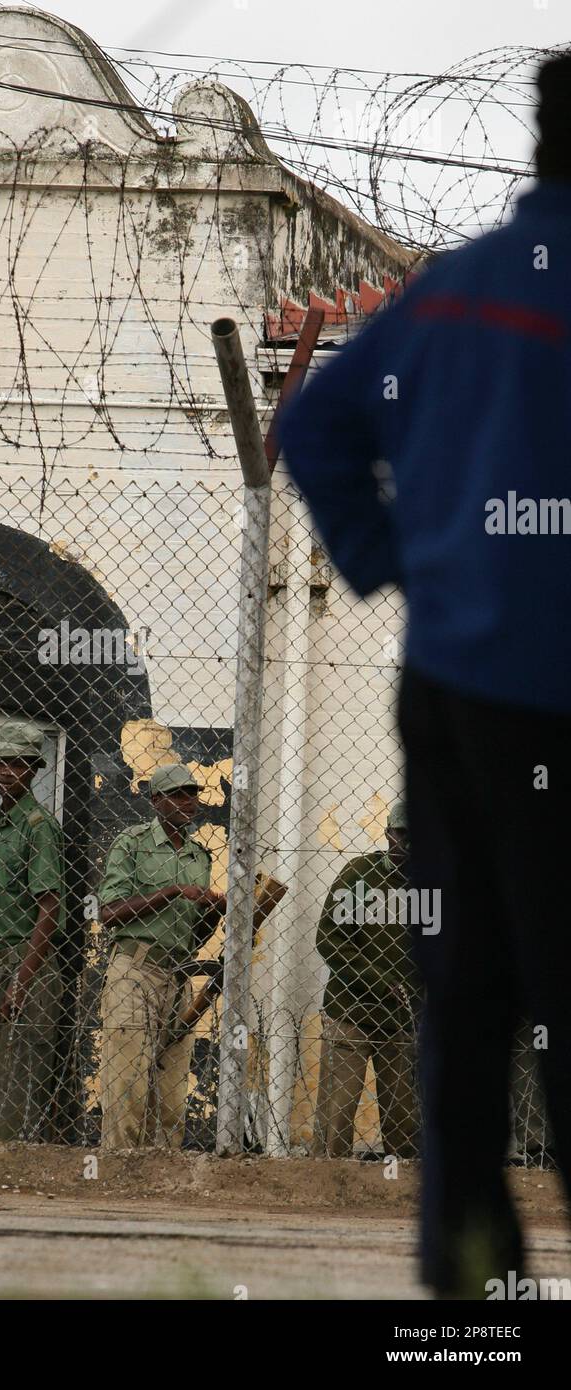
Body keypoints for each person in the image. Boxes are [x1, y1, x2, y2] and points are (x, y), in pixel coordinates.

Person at [278, 53, 571, 1297]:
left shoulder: (452, 296)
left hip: (453, 678)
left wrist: (395, 559)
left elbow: (312, 422)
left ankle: (463, 1262)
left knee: (464, 975)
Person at [97, 763, 225, 1149]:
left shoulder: (198, 856)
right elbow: (109, 912)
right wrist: (172, 892)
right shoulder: (132, 843)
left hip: (178, 976)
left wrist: (214, 911)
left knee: (170, 1100)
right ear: (156, 801)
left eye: (192, 794)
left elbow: (195, 935)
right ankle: (117, 1175)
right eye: (178, 794)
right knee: (128, 1090)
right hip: (134, 970)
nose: (188, 801)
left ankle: (161, 1181)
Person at [0, 720, 64, 1141]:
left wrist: (22, 981)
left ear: (35, 770)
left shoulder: (37, 826)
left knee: (18, 1080)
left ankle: (7, 1170)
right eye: (2, 763)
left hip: (26, 963)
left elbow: (50, 908)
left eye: (19, 765)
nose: (7, 772)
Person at [312, 801, 419, 1160]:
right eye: (403, 835)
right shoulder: (361, 876)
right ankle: (326, 1181)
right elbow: (329, 938)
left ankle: (402, 1187)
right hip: (351, 1012)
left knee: (404, 1116)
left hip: (403, 1020)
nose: (409, 844)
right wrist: (378, 980)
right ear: (389, 833)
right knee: (337, 1111)